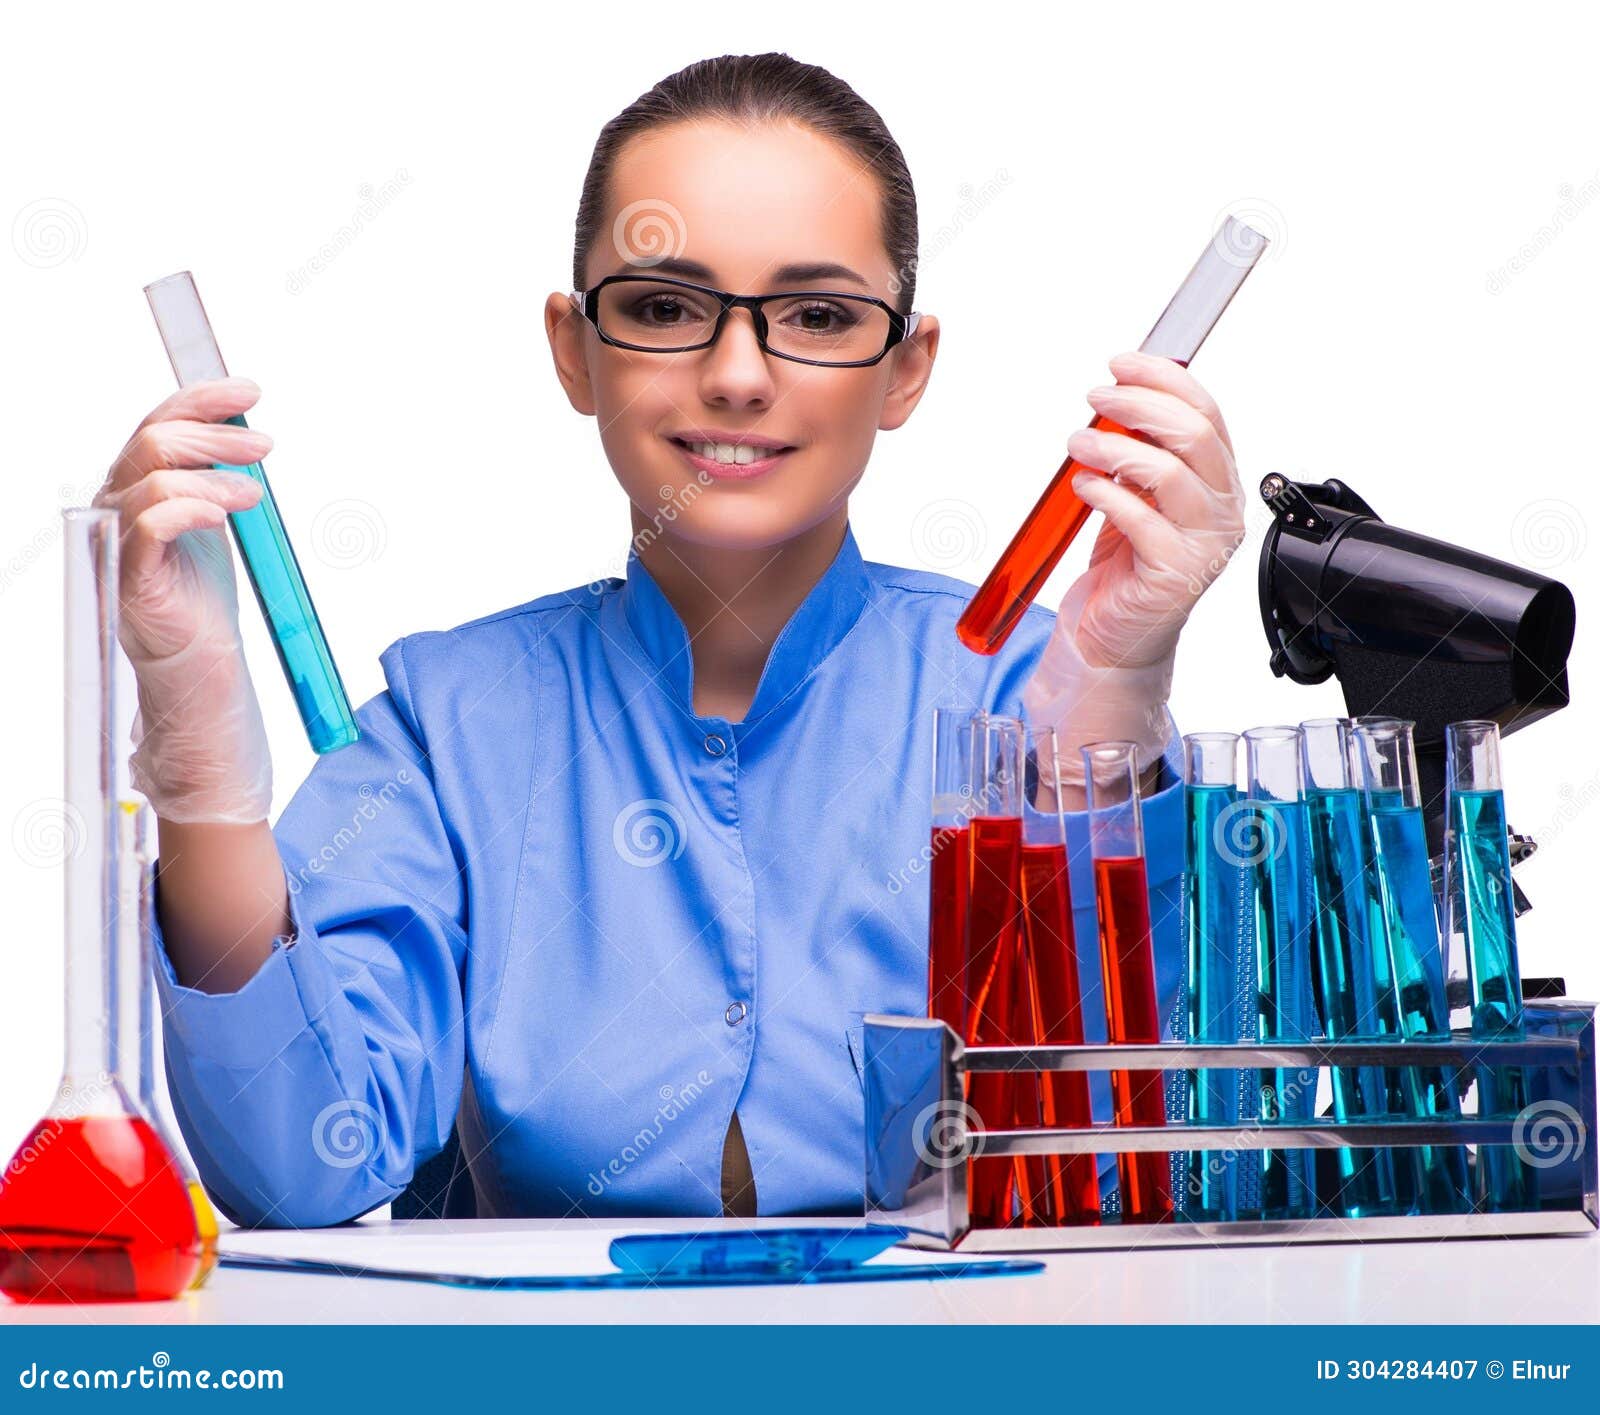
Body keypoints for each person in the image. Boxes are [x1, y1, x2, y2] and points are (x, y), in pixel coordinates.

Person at [94, 52, 1246, 1228]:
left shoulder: (1028, 690)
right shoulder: (451, 724)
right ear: (573, 347)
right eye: (663, 307)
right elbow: (297, 1169)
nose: (737, 375)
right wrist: (197, 749)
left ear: (905, 369)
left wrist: (1110, 712)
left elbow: (1127, 1171)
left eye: (816, 315)